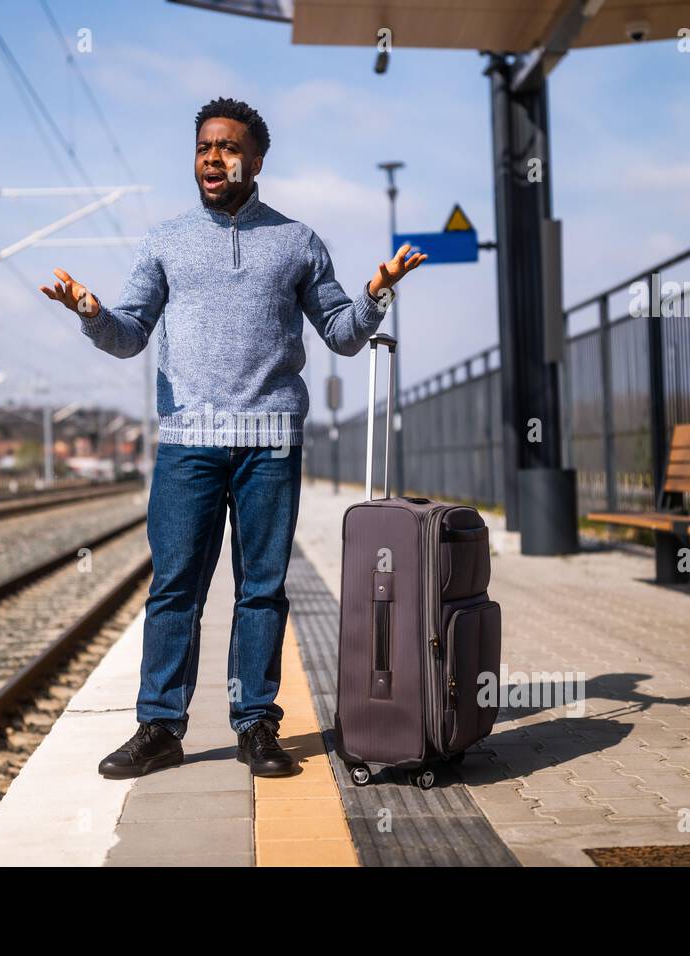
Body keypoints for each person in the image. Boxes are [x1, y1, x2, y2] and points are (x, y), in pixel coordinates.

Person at [40, 97, 425, 778]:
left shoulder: (299, 242)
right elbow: (128, 335)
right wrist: (92, 312)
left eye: (227, 147)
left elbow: (341, 333)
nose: (212, 158)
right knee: (174, 590)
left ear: (257, 160)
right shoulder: (164, 240)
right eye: (203, 147)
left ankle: (254, 725)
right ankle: (160, 728)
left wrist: (378, 292)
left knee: (262, 590)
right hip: (189, 441)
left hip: (271, 440)